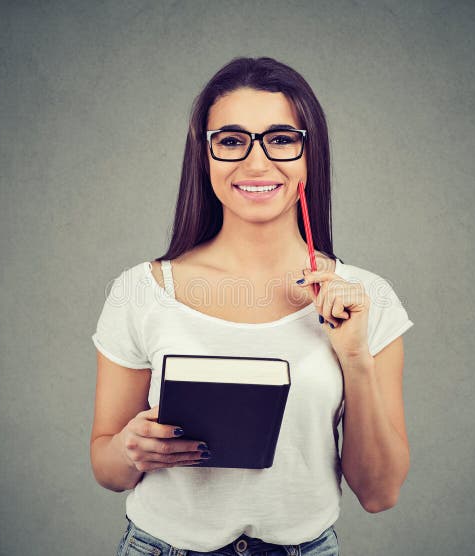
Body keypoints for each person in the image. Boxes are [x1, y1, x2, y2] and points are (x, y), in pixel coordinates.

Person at [90, 56, 414, 556]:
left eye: (282, 139)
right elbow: (108, 472)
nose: (257, 163)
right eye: (232, 140)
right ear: (205, 155)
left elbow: (379, 493)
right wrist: (131, 447)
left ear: (311, 155)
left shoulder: (366, 297)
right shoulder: (141, 290)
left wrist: (355, 359)